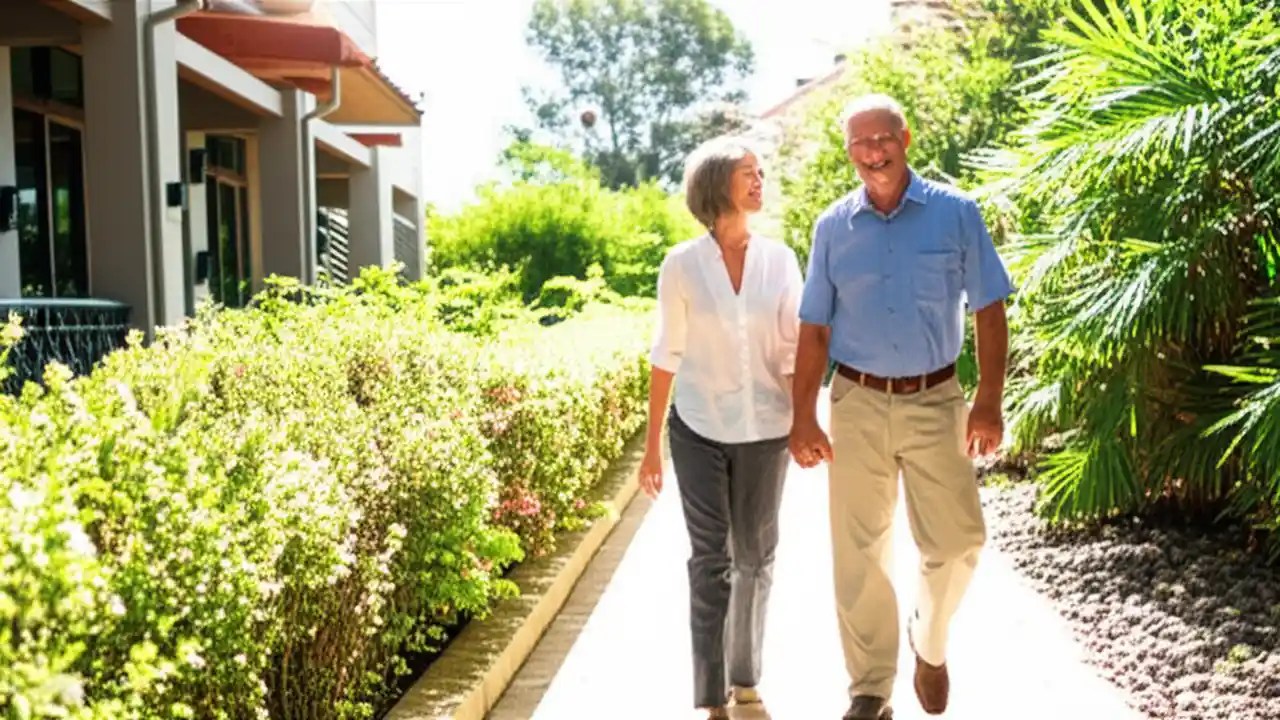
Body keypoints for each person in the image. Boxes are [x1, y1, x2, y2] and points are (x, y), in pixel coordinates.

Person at [788, 93, 1015, 720]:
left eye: (883, 137)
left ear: (905, 137)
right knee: (858, 549)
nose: (873, 151)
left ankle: (930, 640)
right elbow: (814, 330)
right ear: (849, 152)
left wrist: (988, 399)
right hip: (856, 399)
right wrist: (803, 414)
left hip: (936, 397)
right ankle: (870, 689)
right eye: (860, 143)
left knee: (961, 541)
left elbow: (989, 309)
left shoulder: (956, 213)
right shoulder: (833, 226)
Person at [637, 136, 804, 720]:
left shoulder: (780, 259)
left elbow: (793, 351)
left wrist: (805, 420)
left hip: (767, 429)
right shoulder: (681, 265)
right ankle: (711, 699)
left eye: (760, 172)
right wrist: (652, 446)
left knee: (756, 554)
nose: (759, 181)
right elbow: (666, 352)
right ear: (715, 186)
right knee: (711, 558)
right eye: (746, 174)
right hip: (699, 429)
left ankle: (746, 677)